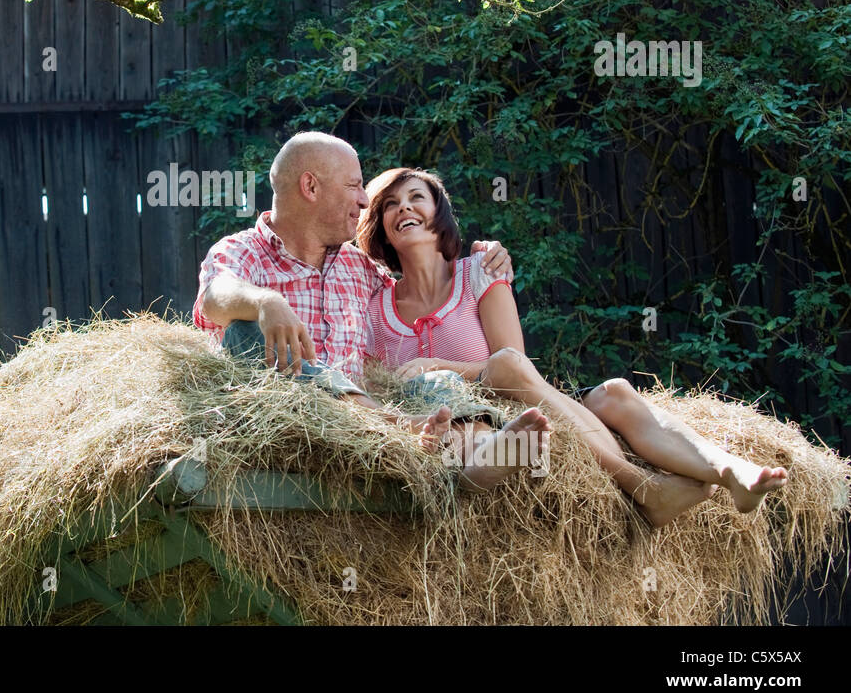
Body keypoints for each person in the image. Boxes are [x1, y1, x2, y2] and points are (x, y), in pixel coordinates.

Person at [356, 165, 790, 526]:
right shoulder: (376, 309)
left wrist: (436, 362)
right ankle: (642, 486)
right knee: (580, 388)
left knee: (616, 390)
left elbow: (513, 364)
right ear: (382, 230)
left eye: (416, 197)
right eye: (390, 205)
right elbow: (380, 389)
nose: (404, 208)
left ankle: (733, 470)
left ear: (439, 214)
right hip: (483, 429)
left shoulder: (479, 272)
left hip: (515, 396)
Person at [193, 131, 551, 491]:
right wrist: (265, 302)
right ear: (311, 187)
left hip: (363, 438)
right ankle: (390, 422)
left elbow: (421, 298)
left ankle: (482, 456)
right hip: (286, 424)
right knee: (245, 331)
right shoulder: (243, 251)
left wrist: (481, 264)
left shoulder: (360, 269)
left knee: (435, 381)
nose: (364, 200)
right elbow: (215, 295)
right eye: (354, 185)